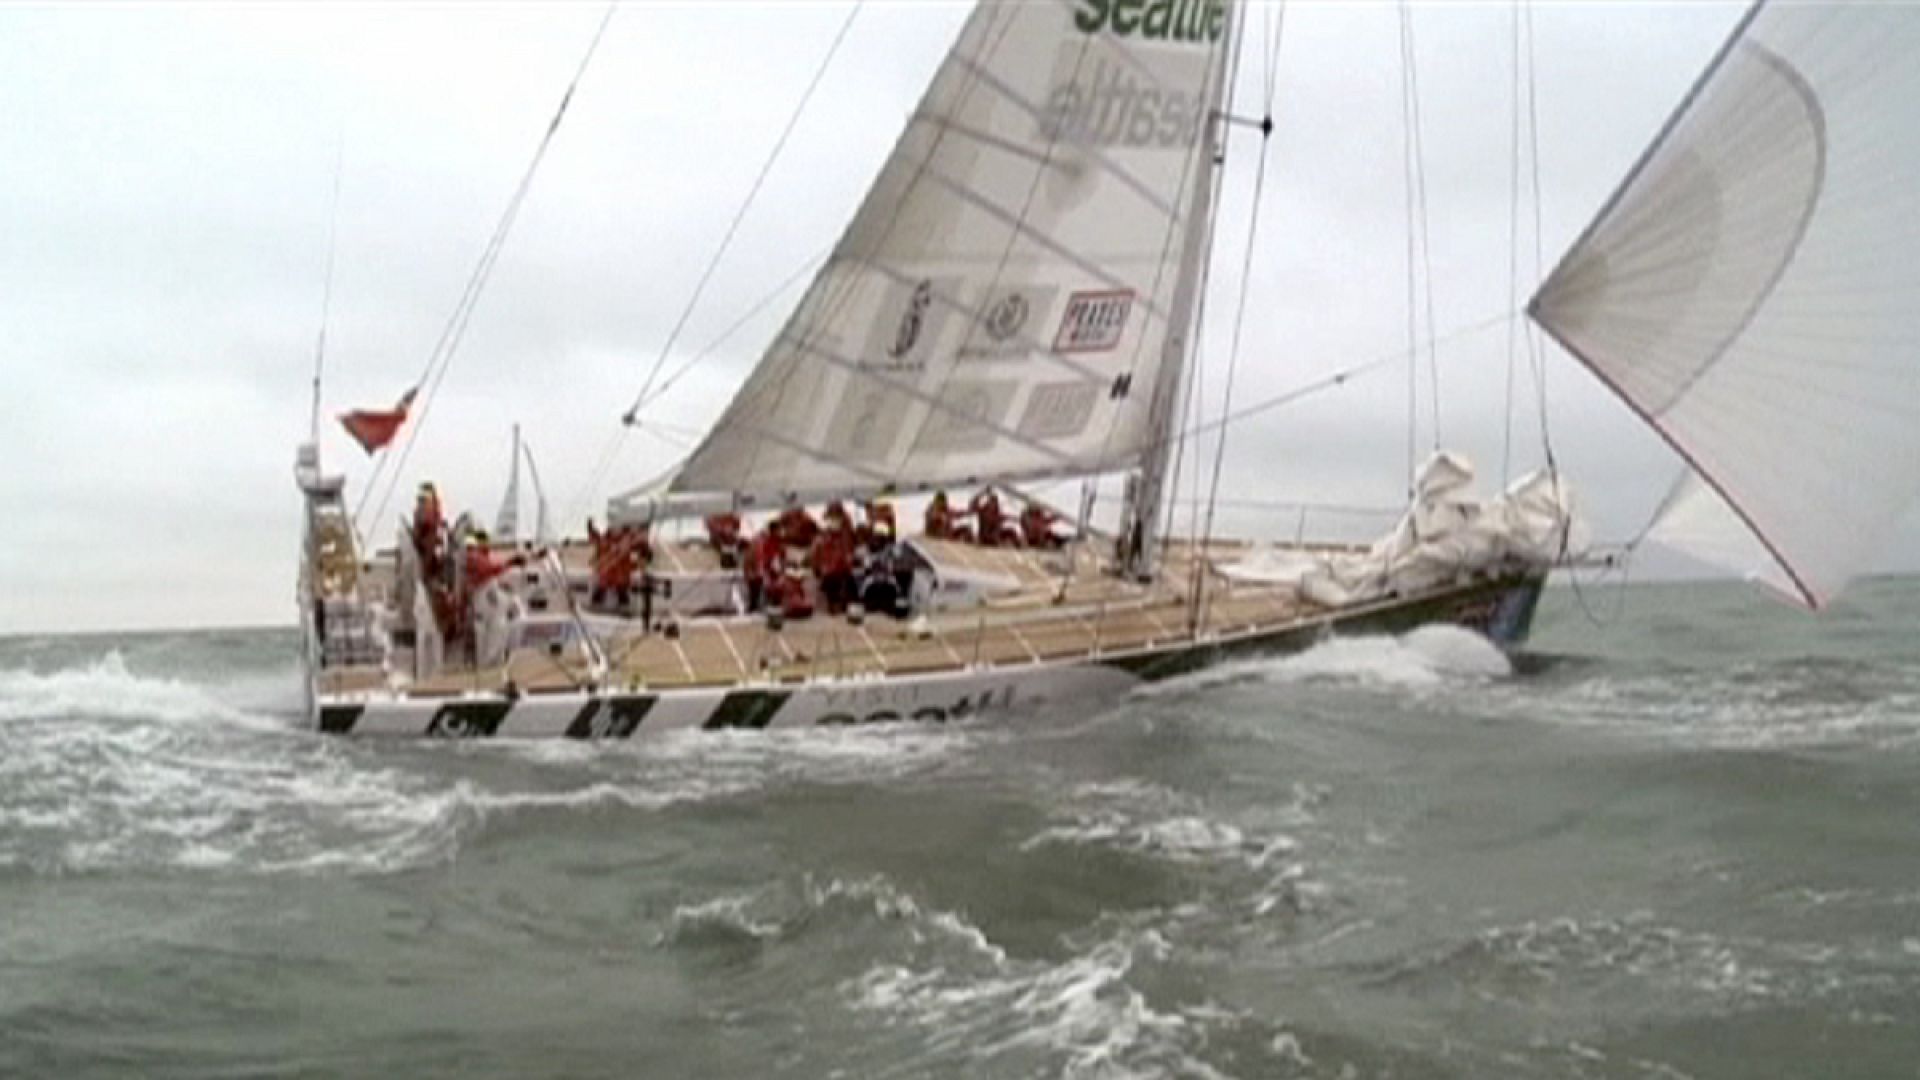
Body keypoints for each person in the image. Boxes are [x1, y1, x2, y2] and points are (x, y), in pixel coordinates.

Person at [811, 508, 857, 614]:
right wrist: (818, 568)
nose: (835, 522)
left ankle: (846, 603)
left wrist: (849, 560)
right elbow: (815, 556)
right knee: (831, 580)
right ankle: (833, 603)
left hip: (842, 569)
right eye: (832, 519)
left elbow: (849, 552)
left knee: (850, 581)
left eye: (837, 519)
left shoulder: (845, 537)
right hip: (829, 571)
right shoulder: (821, 538)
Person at [587, 519, 637, 613]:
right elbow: (594, 538)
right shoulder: (604, 539)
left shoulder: (628, 539)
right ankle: (595, 609)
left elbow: (640, 548)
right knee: (600, 591)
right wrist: (590, 526)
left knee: (621, 592)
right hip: (606, 575)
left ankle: (625, 611)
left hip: (620, 575)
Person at [746, 518, 785, 613]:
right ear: (773, 530)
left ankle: (775, 605)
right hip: (764, 569)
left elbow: (782, 558)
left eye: (780, 530)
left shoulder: (780, 543)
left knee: (779, 583)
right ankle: (753, 606)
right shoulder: (763, 542)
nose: (780, 532)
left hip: (775, 570)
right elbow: (760, 559)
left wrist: (780, 568)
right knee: (757, 580)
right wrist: (763, 571)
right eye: (779, 530)